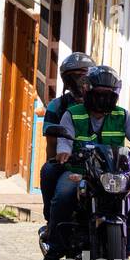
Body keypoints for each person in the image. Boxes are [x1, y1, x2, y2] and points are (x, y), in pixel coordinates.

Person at [43, 65, 130, 260]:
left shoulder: (123, 116)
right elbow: (64, 140)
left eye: (108, 94)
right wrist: (64, 151)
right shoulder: (72, 114)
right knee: (64, 195)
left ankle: (126, 249)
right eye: (99, 93)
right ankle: (56, 245)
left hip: (114, 175)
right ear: (88, 92)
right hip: (79, 173)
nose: (103, 98)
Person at [39, 52, 95, 225]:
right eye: (74, 78)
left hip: (101, 165)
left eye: (84, 76)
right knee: (49, 172)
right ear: (66, 81)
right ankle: (52, 223)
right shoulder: (58, 106)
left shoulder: (102, 102)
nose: (80, 82)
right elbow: (51, 143)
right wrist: (55, 161)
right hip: (70, 163)